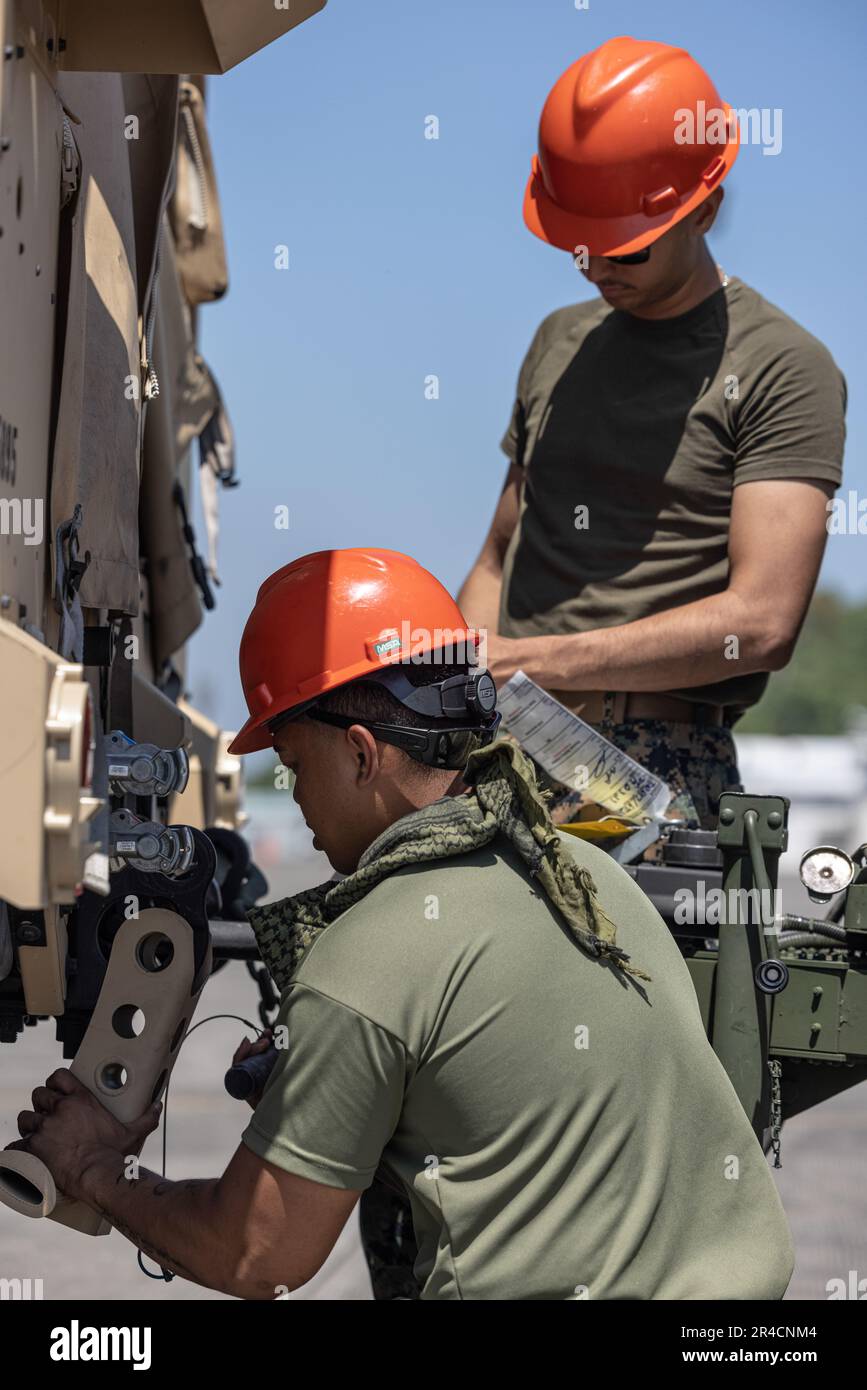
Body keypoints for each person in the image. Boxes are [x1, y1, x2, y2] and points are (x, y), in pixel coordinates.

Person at [12, 548, 794, 1300]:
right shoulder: (584, 874)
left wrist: (91, 1167)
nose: (298, 800)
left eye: (294, 766)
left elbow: (255, 1255)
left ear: (360, 754)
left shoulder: (372, 953)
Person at [458, 35, 846, 830]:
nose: (597, 268)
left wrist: (529, 665)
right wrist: (458, 688)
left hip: (652, 764)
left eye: (624, 247)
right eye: (577, 245)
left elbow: (760, 624)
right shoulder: (557, 343)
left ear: (705, 207)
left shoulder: (781, 365)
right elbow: (499, 556)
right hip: (503, 743)